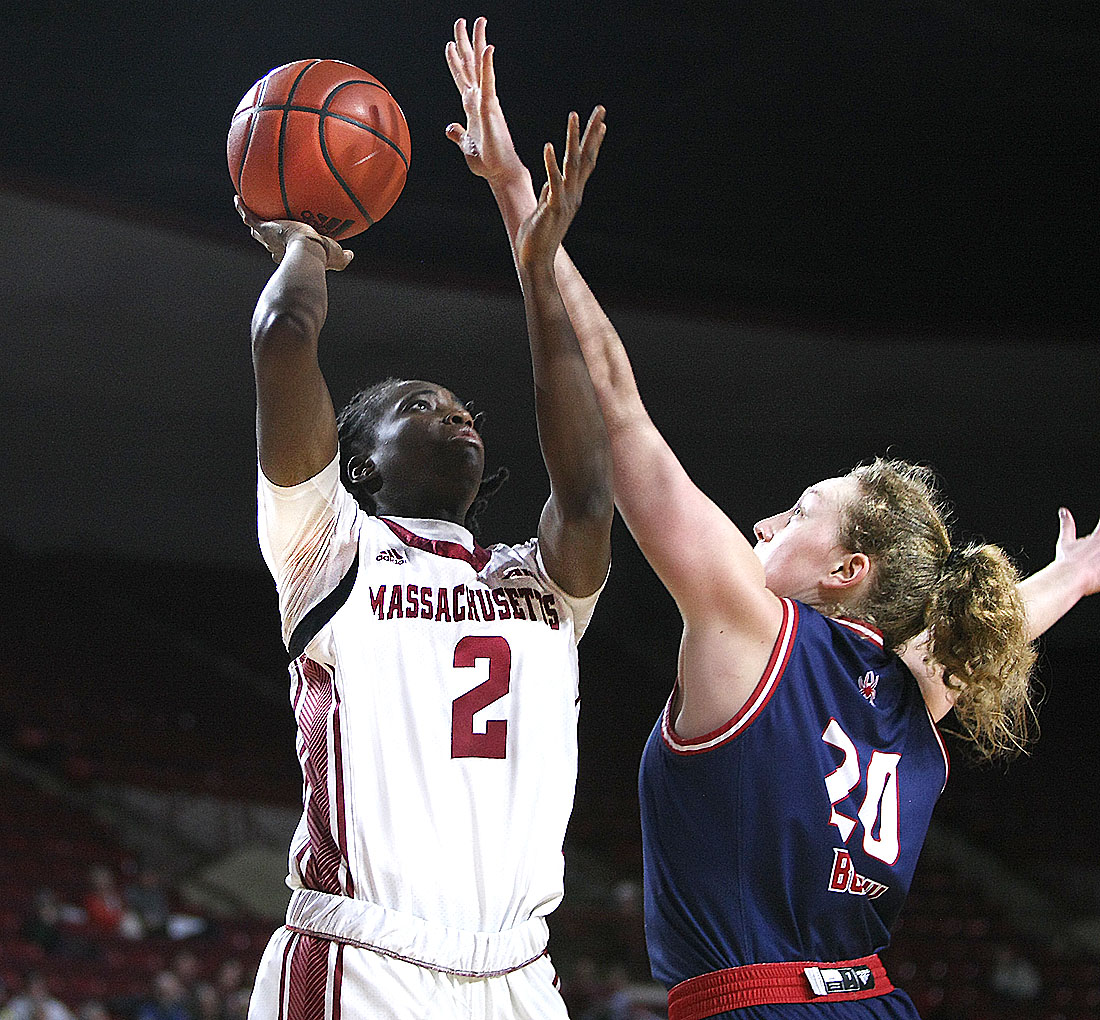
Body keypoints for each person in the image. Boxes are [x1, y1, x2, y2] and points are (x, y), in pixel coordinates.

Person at [446, 17, 1100, 1018]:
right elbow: (1011, 611)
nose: (761, 522)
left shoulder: (751, 627)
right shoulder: (910, 686)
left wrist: (514, 198)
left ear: (846, 574)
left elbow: (616, 407)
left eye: (800, 513)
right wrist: (1078, 575)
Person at [234, 69, 613, 1019]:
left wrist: (538, 277)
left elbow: (590, 488)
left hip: (521, 973)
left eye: (461, 408)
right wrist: (303, 242)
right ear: (355, 463)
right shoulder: (331, 547)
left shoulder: (539, 580)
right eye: (418, 407)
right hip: (367, 958)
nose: (454, 414)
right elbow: (284, 335)